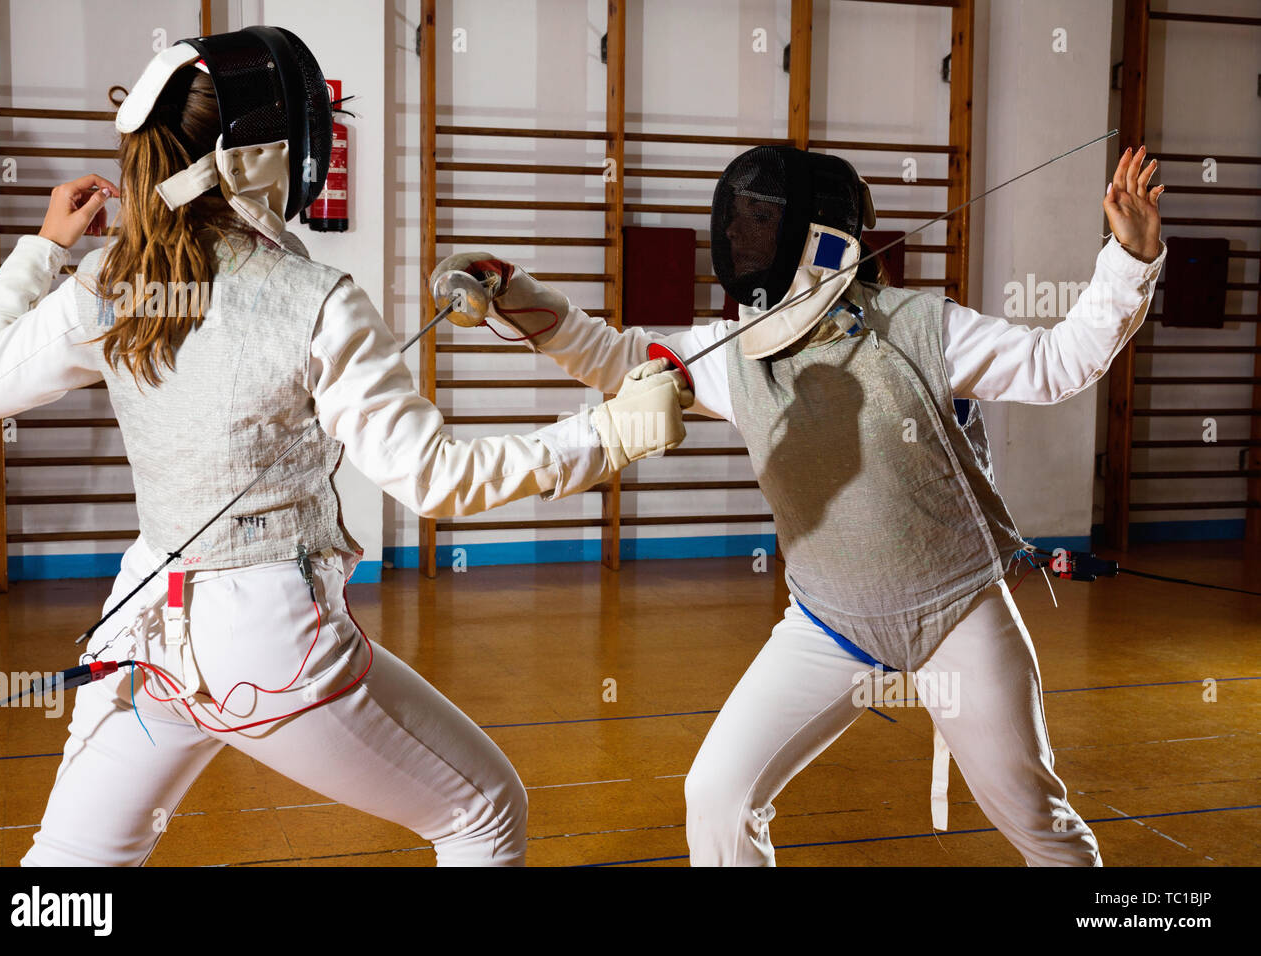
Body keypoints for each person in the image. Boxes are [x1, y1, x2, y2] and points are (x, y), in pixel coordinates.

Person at [0, 26, 691, 867]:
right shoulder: (315, 299)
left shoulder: (109, 280)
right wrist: (606, 434)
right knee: (485, 813)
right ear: (273, 154)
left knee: (69, 875)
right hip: (269, 648)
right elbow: (435, 478)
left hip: (139, 641)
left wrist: (45, 249)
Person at [431, 143, 1166, 866]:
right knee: (717, 796)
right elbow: (619, 360)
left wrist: (1127, 258)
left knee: (1037, 822)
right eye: (738, 218)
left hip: (957, 613)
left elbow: (1056, 362)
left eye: (759, 217)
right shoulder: (735, 351)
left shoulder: (919, 327)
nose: (739, 235)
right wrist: (512, 289)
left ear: (815, 235)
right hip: (831, 622)